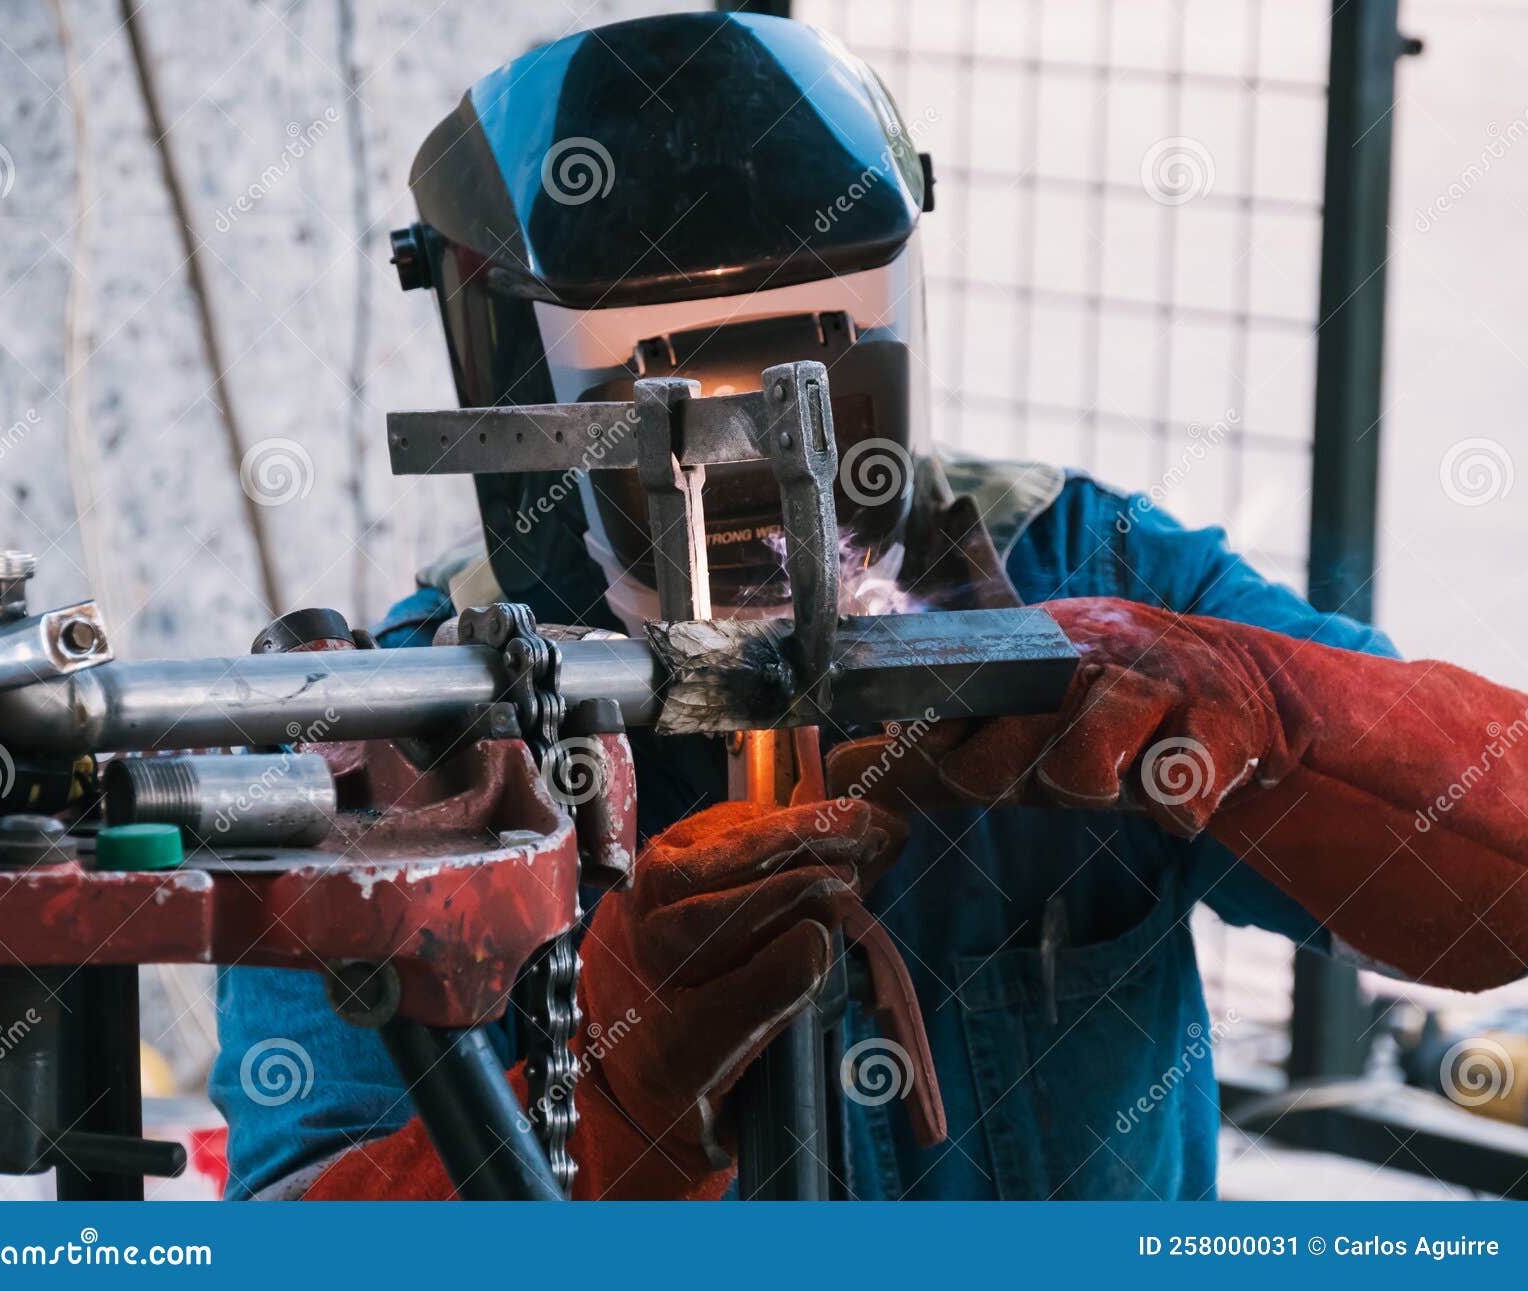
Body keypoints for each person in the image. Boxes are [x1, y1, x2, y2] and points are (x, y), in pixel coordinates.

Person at [211, 11, 1528, 1201]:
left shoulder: (1088, 575)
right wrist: (619, 1097)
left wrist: (1259, 718)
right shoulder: (401, 750)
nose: (757, 476)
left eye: (818, 377)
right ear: (517, 393)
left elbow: (1495, 880)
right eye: (669, 399)